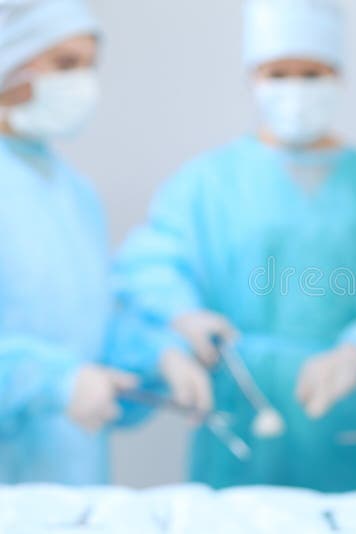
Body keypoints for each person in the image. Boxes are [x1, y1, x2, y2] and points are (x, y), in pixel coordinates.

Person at [114, 0, 356, 491]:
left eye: (311, 74)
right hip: (239, 406)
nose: (295, 88)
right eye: (279, 73)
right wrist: (183, 315)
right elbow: (149, 265)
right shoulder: (209, 182)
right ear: (253, 77)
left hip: (342, 416)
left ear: (337, 76)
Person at [0, 0, 143, 484]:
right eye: (65, 64)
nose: (81, 83)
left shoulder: (75, 192)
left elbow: (91, 326)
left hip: (74, 480)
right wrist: (53, 380)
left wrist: (157, 355)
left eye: (88, 66)